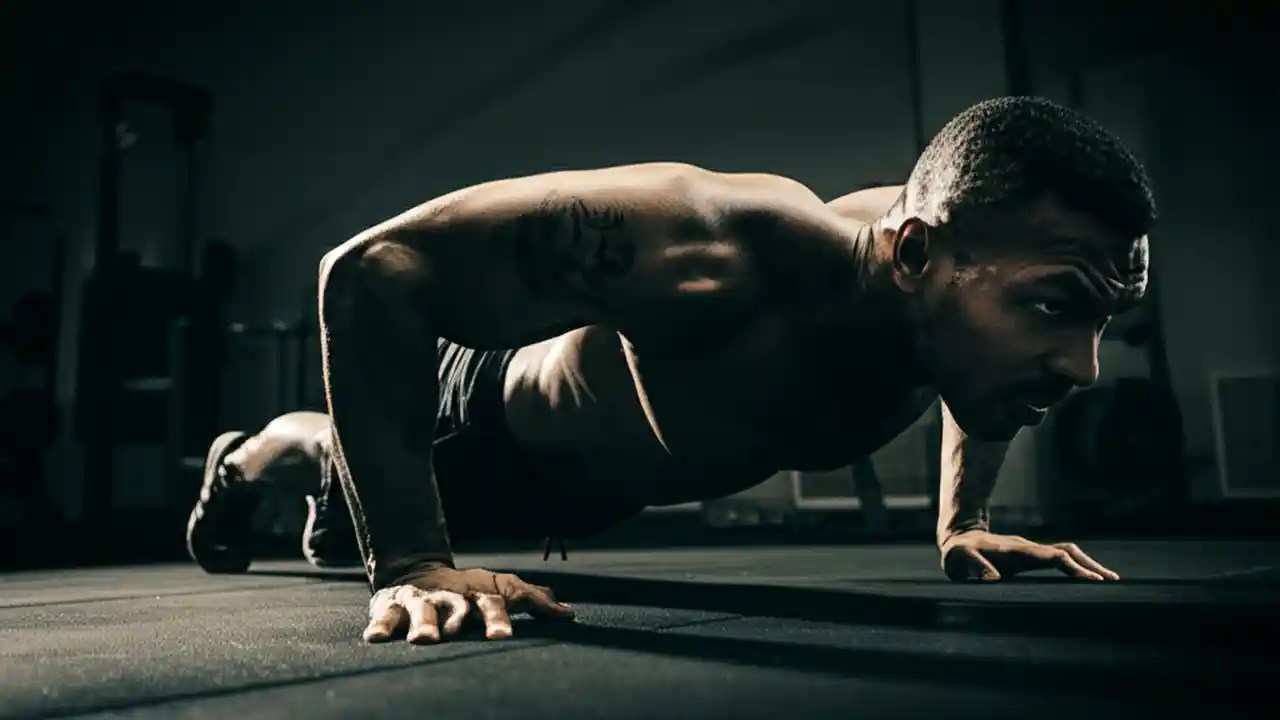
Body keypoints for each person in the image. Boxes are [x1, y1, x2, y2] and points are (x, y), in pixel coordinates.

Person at [187, 96, 1154, 645]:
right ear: (910, 255)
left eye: (1103, 317)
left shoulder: (940, 279)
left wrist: (964, 523)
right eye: (1057, 305)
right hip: (482, 428)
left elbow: (989, 374)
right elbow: (368, 271)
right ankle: (240, 463)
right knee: (319, 455)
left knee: (344, 512)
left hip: (601, 493)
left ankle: (330, 495)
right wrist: (407, 562)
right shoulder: (714, 245)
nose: (1081, 367)